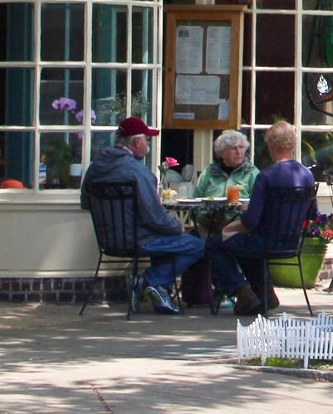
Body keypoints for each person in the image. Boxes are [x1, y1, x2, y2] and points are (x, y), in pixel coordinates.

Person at [81, 117, 202, 315]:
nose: (148, 144)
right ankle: (146, 282)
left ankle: (159, 291)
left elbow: (86, 203)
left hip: (108, 240)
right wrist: (177, 227)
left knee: (167, 241)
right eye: (147, 139)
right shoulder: (139, 172)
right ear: (137, 142)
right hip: (138, 240)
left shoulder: (94, 168)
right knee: (195, 244)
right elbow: (155, 217)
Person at [205, 121, 315, 318]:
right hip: (291, 242)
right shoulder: (306, 175)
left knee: (215, 243)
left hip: (263, 242)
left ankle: (242, 292)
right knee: (241, 244)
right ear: (293, 145)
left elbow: (251, 222)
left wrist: (245, 212)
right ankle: (265, 294)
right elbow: (312, 214)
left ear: (271, 147)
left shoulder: (266, 176)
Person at [192, 130, 259, 199]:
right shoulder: (209, 172)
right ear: (222, 152)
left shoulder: (252, 173)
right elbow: (196, 199)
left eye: (241, 147)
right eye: (234, 148)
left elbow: (258, 203)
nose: (239, 152)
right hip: (210, 209)